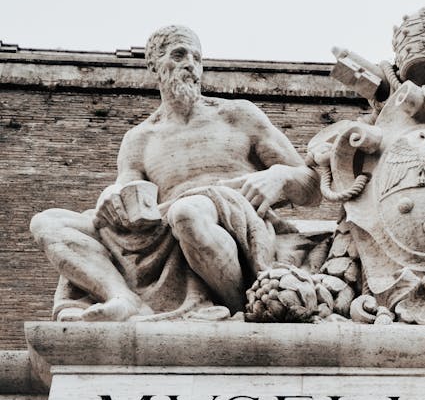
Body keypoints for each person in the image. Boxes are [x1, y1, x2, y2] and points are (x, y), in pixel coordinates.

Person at [31, 25, 320, 321]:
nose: (190, 64)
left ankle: (242, 306)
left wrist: (280, 176)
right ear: (154, 64)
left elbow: (312, 187)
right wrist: (111, 198)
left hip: (228, 220)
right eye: (179, 54)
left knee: (187, 212)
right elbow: (128, 196)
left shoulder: (237, 115)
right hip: (162, 229)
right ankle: (123, 297)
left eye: (197, 57)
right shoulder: (139, 138)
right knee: (48, 223)